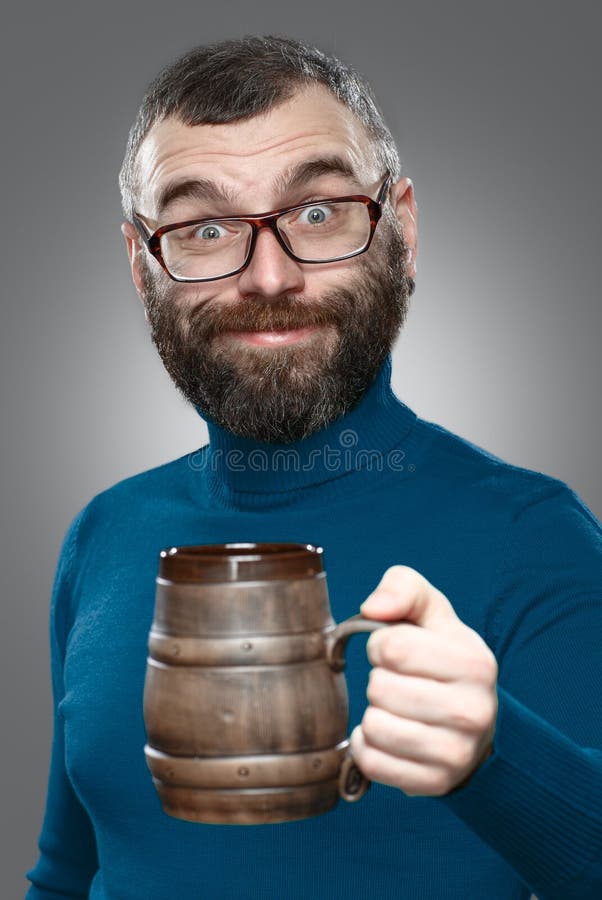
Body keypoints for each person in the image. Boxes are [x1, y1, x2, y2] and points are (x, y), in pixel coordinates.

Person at [26, 35, 602, 900]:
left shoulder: (536, 534)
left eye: (318, 213)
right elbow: (68, 875)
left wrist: (495, 756)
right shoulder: (102, 535)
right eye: (206, 227)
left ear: (402, 230)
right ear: (143, 269)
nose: (269, 275)